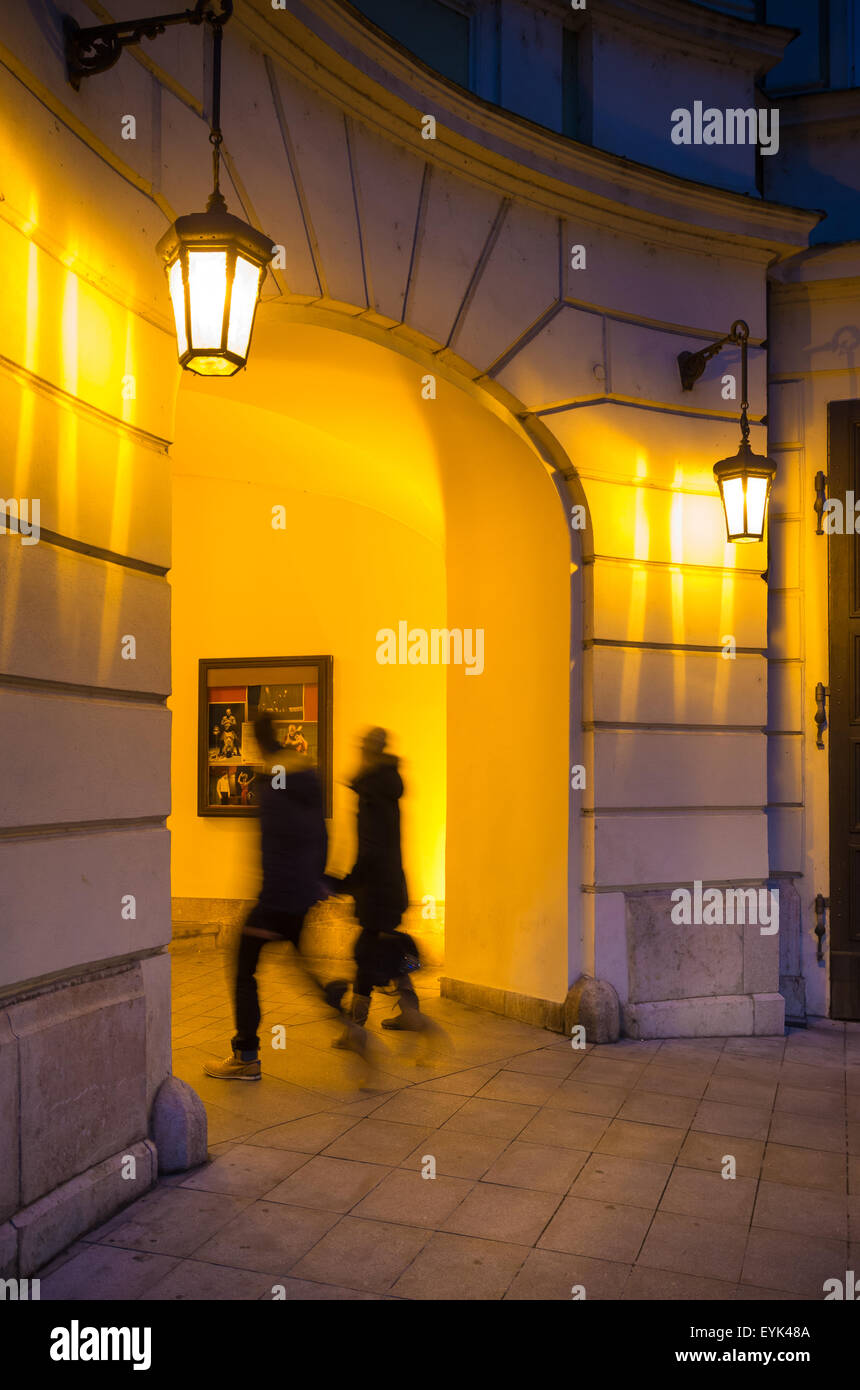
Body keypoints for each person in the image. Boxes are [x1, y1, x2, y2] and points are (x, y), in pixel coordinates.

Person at [204, 712, 345, 1080]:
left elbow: (275, 848)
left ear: (258, 741)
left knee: (243, 969)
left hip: (276, 900)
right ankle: (341, 1011)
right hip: (301, 895)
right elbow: (320, 835)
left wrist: (271, 903)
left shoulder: (275, 784)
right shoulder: (307, 778)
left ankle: (246, 1055)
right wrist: (315, 883)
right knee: (301, 963)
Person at [330, 727, 439, 1042]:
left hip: (376, 890)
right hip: (389, 885)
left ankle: (358, 1029)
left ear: (369, 752)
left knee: (367, 955)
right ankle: (409, 1011)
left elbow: (371, 850)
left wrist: (348, 882)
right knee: (383, 951)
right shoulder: (385, 788)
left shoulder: (372, 794)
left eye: (363, 747)